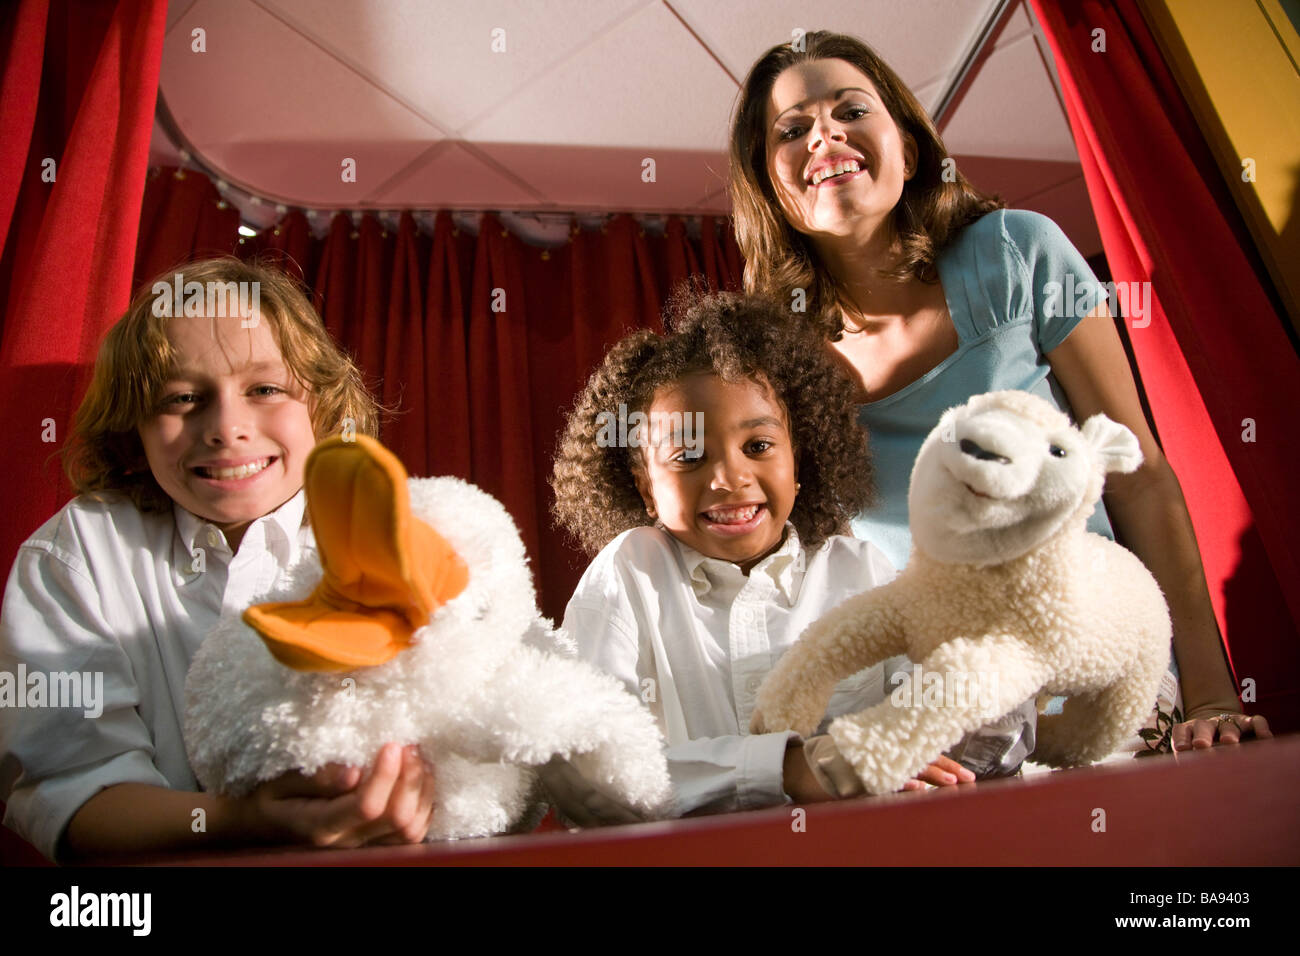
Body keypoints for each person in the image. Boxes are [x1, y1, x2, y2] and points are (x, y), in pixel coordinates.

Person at [726, 31, 1268, 750]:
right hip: (931, 703)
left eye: (850, 110)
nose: (825, 133)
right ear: (772, 187)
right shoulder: (774, 351)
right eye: (792, 130)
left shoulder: (1019, 249)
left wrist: (1209, 697)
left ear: (910, 150)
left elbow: (1139, 478)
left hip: (1095, 660)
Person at [0, 257, 436, 861]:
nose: (227, 428)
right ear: (134, 428)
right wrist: (240, 821)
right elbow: (71, 791)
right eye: (182, 397)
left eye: (264, 389)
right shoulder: (77, 556)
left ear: (322, 403)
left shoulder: (411, 539)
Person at [550, 292, 1034, 817]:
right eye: (688, 456)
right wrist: (787, 768)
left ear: (797, 459)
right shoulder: (630, 575)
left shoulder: (860, 570)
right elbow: (583, 768)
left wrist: (977, 691)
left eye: (758, 447)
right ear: (646, 487)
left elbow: (990, 743)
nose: (730, 478)